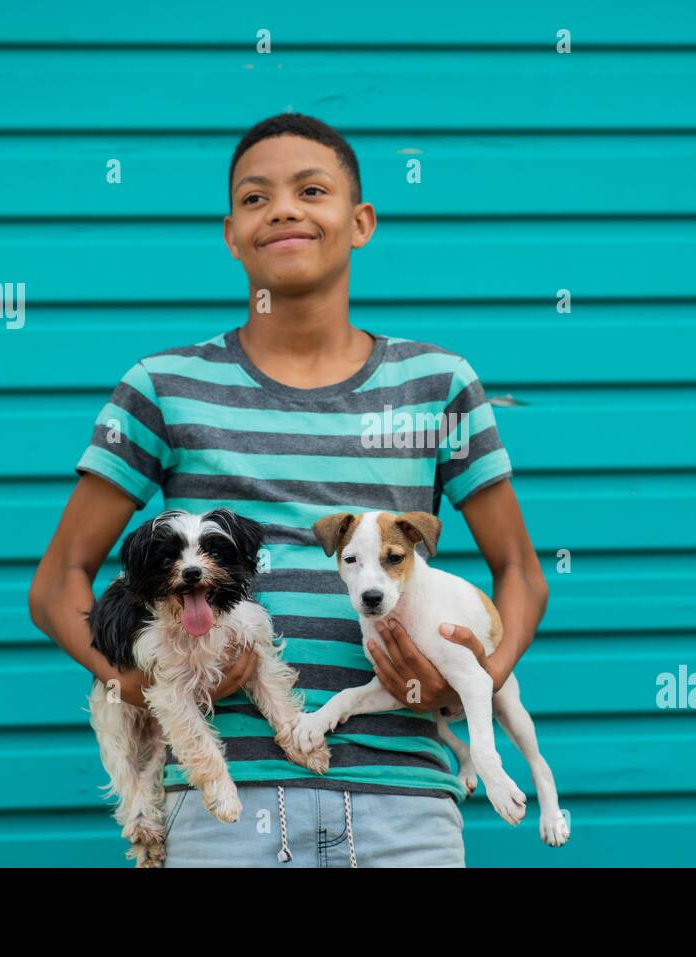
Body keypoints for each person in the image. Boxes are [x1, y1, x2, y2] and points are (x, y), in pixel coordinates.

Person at [27, 112, 549, 867]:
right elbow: (56, 583)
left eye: (312, 190)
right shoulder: (164, 387)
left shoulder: (438, 385)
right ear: (231, 233)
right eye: (254, 198)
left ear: (361, 221)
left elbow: (523, 575)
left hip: (406, 804)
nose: (283, 210)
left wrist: (459, 684)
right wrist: (144, 685)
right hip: (220, 809)